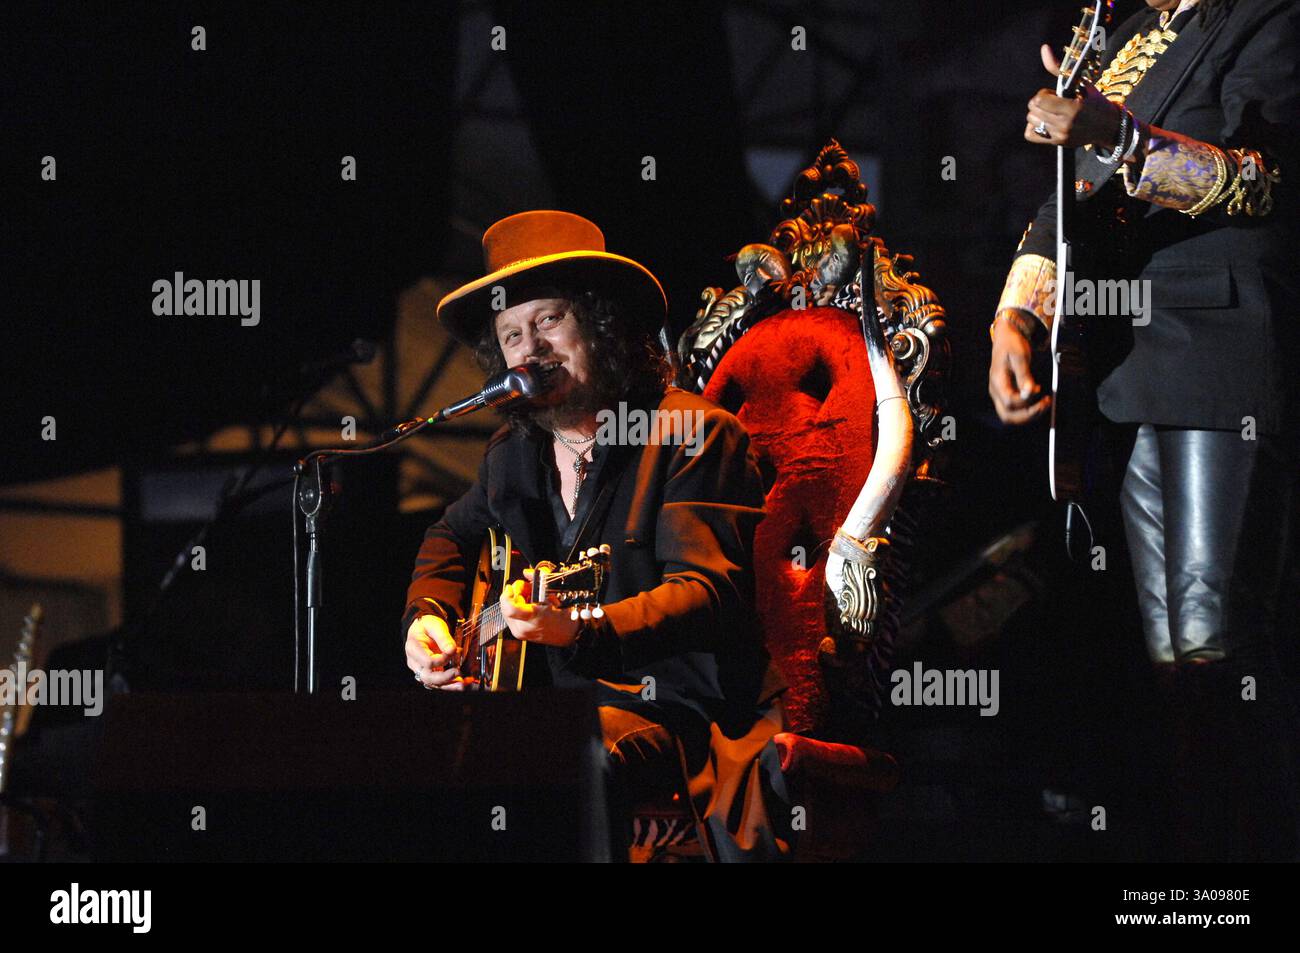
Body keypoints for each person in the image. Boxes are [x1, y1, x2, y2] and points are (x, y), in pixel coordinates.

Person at [988, 0, 1299, 860]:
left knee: (1214, 641)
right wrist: (1016, 314)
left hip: (1219, 350)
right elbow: (1072, 191)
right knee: (1172, 663)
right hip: (1127, 361)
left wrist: (1117, 133)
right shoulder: (1130, 35)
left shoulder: (1267, 18)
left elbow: (1262, 179)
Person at [402, 210, 789, 861]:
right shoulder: (512, 455)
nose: (531, 348)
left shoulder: (691, 433)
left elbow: (706, 593)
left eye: (549, 320)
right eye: (512, 334)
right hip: (564, 706)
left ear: (602, 325)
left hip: (684, 711)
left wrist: (581, 631)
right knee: (417, 753)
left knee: (566, 754)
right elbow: (448, 536)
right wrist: (427, 619)